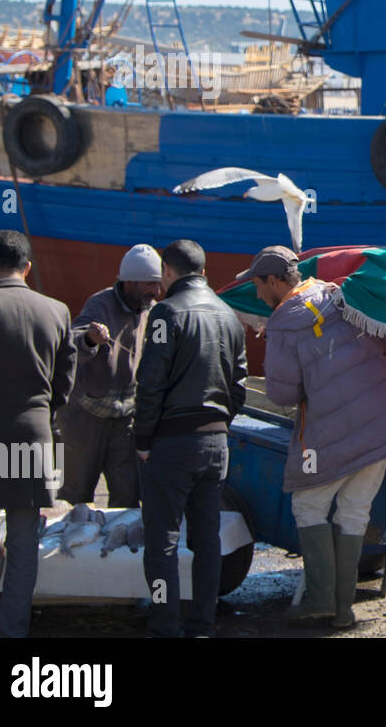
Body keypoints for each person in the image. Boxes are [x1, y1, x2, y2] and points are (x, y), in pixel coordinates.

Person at [254, 246, 386, 627]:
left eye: (260, 285)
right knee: (354, 512)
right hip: (382, 424)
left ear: (276, 281)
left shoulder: (283, 322)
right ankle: (343, 609)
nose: (257, 294)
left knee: (308, 506)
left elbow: (281, 394)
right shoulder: (341, 295)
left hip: (328, 434)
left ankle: (322, 600)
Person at [0, 231, 75, 638]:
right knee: (25, 544)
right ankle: (13, 631)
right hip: (35, 440)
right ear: (27, 267)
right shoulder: (58, 311)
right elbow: (64, 385)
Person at [134, 239, 247, 638]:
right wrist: (220, 425)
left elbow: (150, 384)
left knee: (162, 543)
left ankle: (165, 624)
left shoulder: (166, 312)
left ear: (168, 271)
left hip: (171, 443)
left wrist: (143, 440)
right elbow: (238, 387)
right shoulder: (228, 314)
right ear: (204, 269)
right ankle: (202, 623)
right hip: (216, 443)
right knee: (207, 539)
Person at [60, 244, 163, 508]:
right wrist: (90, 339)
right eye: (149, 284)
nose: (155, 291)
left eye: (157, 284)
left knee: (127, 496)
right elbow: (72, 342)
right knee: (75, 495)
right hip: (86, 417)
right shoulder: (100, 304)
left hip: (124, 420)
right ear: (128, 281)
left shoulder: (151, 310)